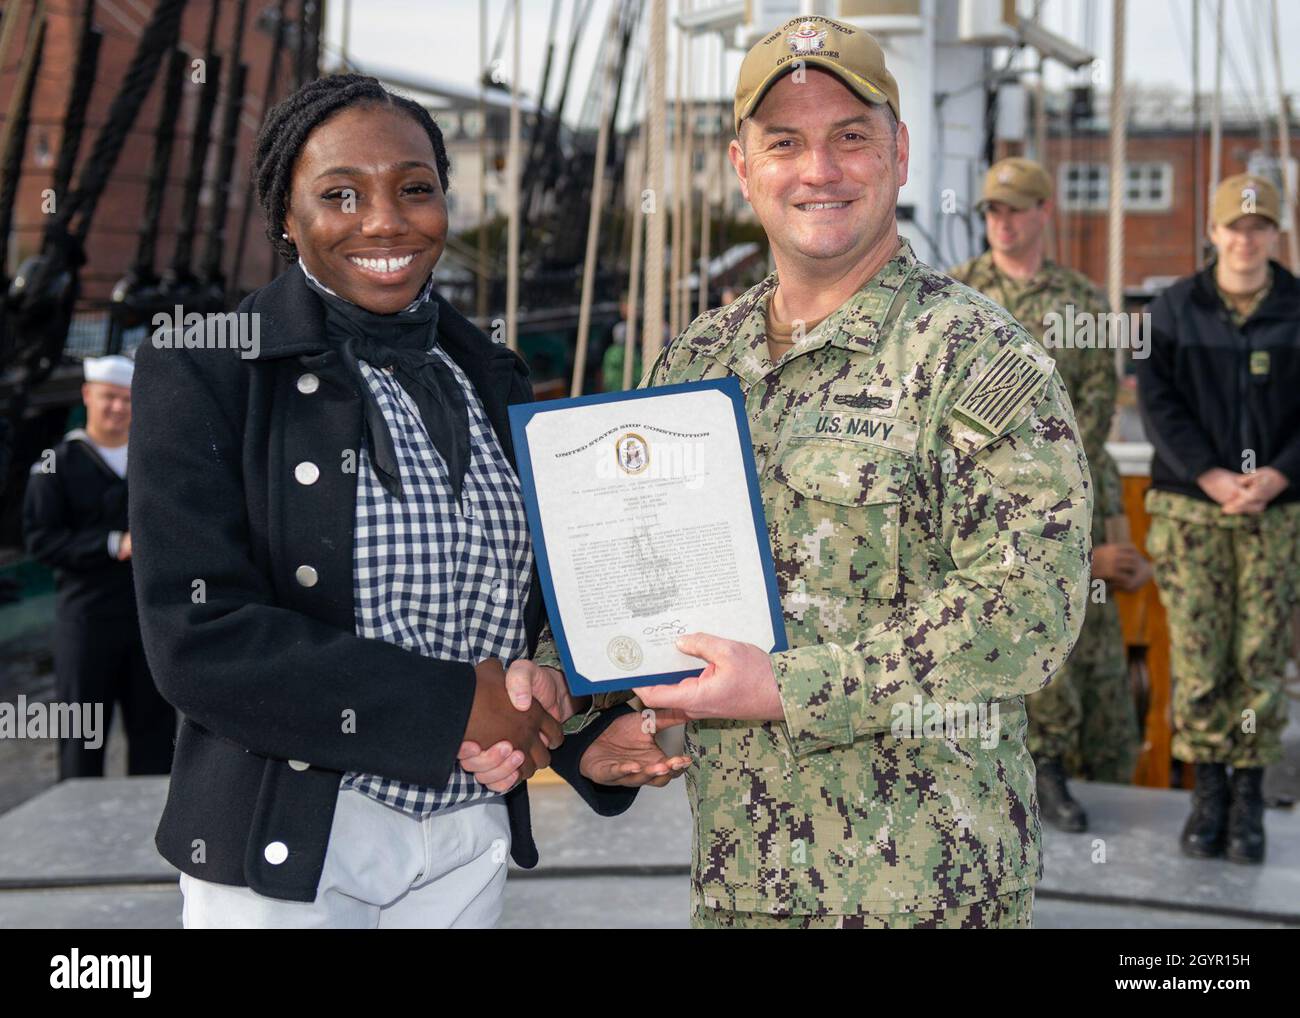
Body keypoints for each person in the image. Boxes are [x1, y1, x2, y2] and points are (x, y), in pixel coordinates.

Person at [516, 17, 1091, 928]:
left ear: (899, 155)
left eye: (849, 137)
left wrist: (787, 685)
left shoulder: (978, 357)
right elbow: (629, 573)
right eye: (784, 142)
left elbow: (1028, 612)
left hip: (930, 889)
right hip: (741, 882)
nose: (817, 169)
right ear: (744, 167)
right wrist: (571, 698)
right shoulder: (695, 362)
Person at [129, 74, 686, 929]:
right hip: (294, 842)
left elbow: (529, 610)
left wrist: (579, 743)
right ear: (285, 215)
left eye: (414, 189)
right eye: (340, 195)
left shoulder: (490, 378)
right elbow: (198, 640)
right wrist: (456, 706)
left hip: (468, 831)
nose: (384, 221)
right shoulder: (209, 371)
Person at [949, 157, 1148, 831]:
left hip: (1067, 495)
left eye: (1014, 210)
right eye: (991, 212)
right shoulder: (956, 295)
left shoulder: (1080, 301)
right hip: (973, 498)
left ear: (1043, 213)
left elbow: (1093, 403)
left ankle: (1057, 770)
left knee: (1068, 639)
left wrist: (1044, 473)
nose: (1001, 224)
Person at [1136, 172, 1300, 864]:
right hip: (1191, 509)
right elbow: (1157, 401)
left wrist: (1280, 473)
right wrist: (1209, 474)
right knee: (1202, 661)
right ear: (1213, 231)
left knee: (1258, 659)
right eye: (1235, 226)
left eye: (1259, 226)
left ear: (1274, 233)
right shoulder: (1174, 308)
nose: (1246, 238)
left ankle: (1248, 797)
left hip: (1274, 511)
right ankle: (1208, 796)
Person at [23, 355, 174, 779]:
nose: (118, 408)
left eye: (127, 399)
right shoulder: (55, 464)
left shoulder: (155, 460)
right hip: (86, 619)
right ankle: (75, 827)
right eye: (109, 397)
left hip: (148, 619)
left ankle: (148, 830)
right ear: (88, 395)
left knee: (155, 730)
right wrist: (110, 544)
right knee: (81, 732)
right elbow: (40, 540)